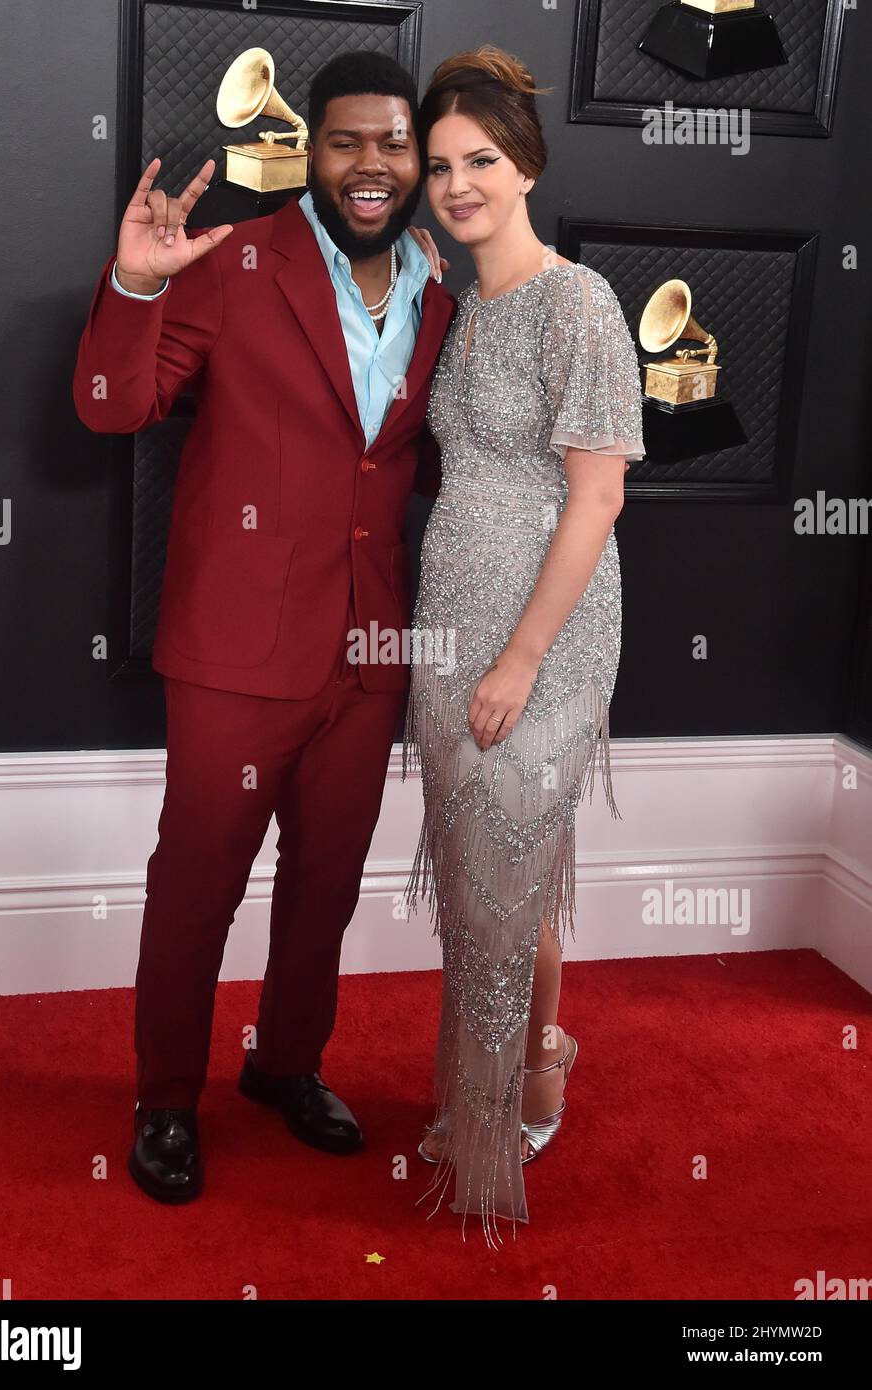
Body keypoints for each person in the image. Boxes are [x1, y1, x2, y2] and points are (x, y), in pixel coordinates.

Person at [73, 51, 455, 1204]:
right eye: (348, 142)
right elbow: (112, 406)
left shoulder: (440, 290)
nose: (374, 165)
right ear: (311, 154)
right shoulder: (234, 264)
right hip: (239, 648)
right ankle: (166, 1099)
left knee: (327, 880)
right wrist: (137, 286)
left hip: (372, 651)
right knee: (198, 881)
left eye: (395, 143)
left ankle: (285, 1065)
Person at [400, 45, 645, 1246]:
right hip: (448, 617)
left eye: (480, 160)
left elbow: (596, 500)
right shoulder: (458, 303)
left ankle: (496, 1114)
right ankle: (536, 1054)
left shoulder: (580, 302)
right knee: (486, 869)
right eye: (440, 165)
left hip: (543, 632)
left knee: (509, 863)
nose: (456, 182)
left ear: (527, 162)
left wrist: (520, 660)